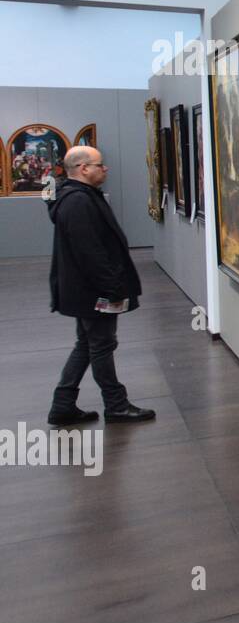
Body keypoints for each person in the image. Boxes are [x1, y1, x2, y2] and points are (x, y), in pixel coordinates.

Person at [47, 146, 155, 425]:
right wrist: (112, 289)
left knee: (87, 345)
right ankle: (116, 405)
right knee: (102, 346)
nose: (105, 169)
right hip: (93, 292)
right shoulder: (78, 202)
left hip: (84, 290)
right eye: (100, 165)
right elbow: (90, 253)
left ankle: (63, 405)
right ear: (83, 168)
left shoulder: (75, 197)